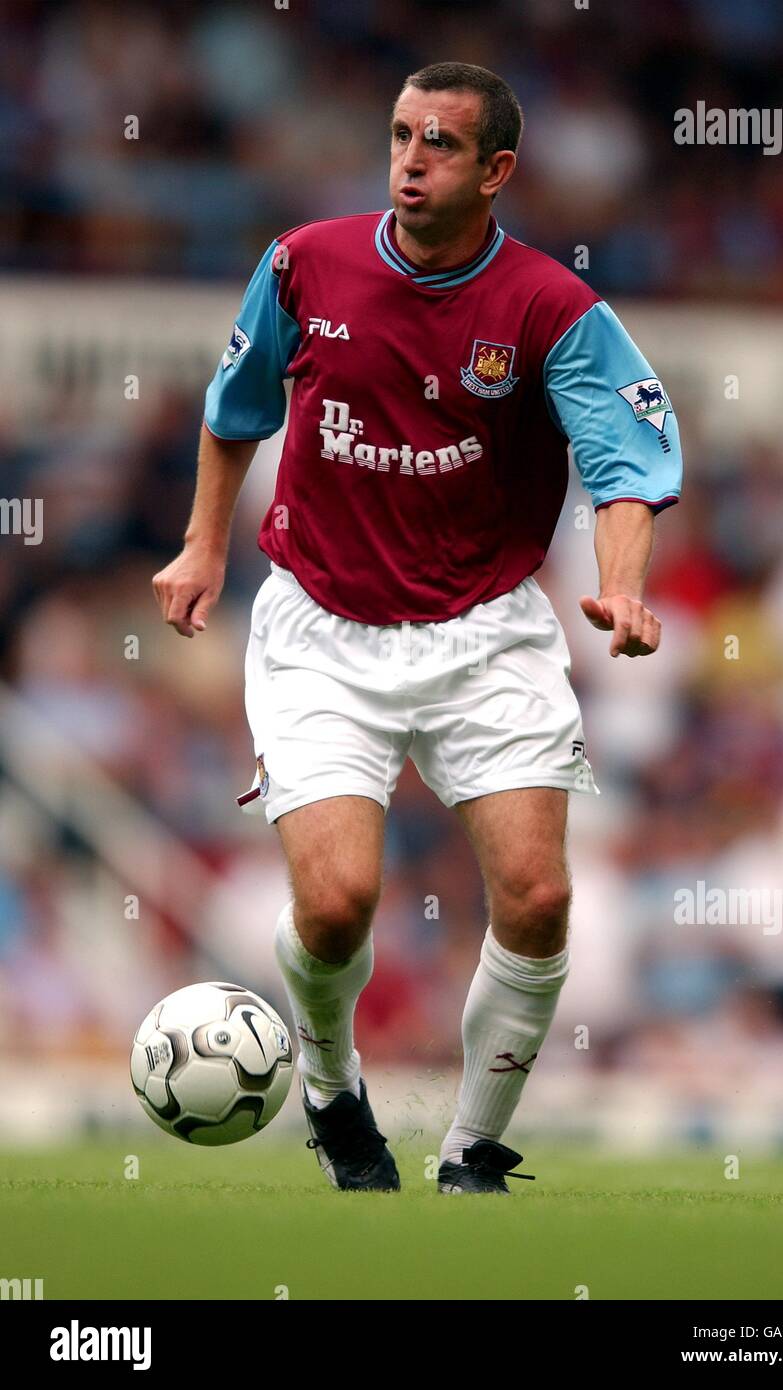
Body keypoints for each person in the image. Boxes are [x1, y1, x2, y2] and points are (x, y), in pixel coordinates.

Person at [152, 62, 683, 1194]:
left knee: (537, 895)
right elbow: (233, 409)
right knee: (336, 902)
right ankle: (334, 1092)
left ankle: (471, 1149)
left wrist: (622, 586)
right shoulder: (304, 264)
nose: (408, 160)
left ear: (495, 171)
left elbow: (624, 464)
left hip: (484, 628)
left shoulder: (553, 310)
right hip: (321, 625)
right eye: (398, 135)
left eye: (437, 143)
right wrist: (203, 545)